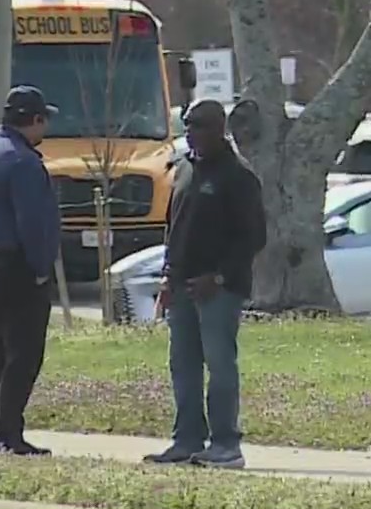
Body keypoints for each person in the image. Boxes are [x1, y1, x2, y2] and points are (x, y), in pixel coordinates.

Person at [144, 99, 268, 469]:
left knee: (220, 364)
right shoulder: (183, 170)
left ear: (219, 128)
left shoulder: (238, 176)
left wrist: (219, 276)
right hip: (182, 286)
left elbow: (253, 237)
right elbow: (175, 229)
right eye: (187, 124)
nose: (191, 132)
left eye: (198, 125)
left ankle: (226, 445)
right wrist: (168, 277)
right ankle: (186, 441)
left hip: (219, 289)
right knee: (182, 364)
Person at [0, 85, 62, 456]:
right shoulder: (23, 162)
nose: (44, 129)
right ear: (34, 120)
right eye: (43, 121)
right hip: (12, 264)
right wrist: (40, 269)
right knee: (23, 352)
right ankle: (10, 431)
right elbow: (32, 224)